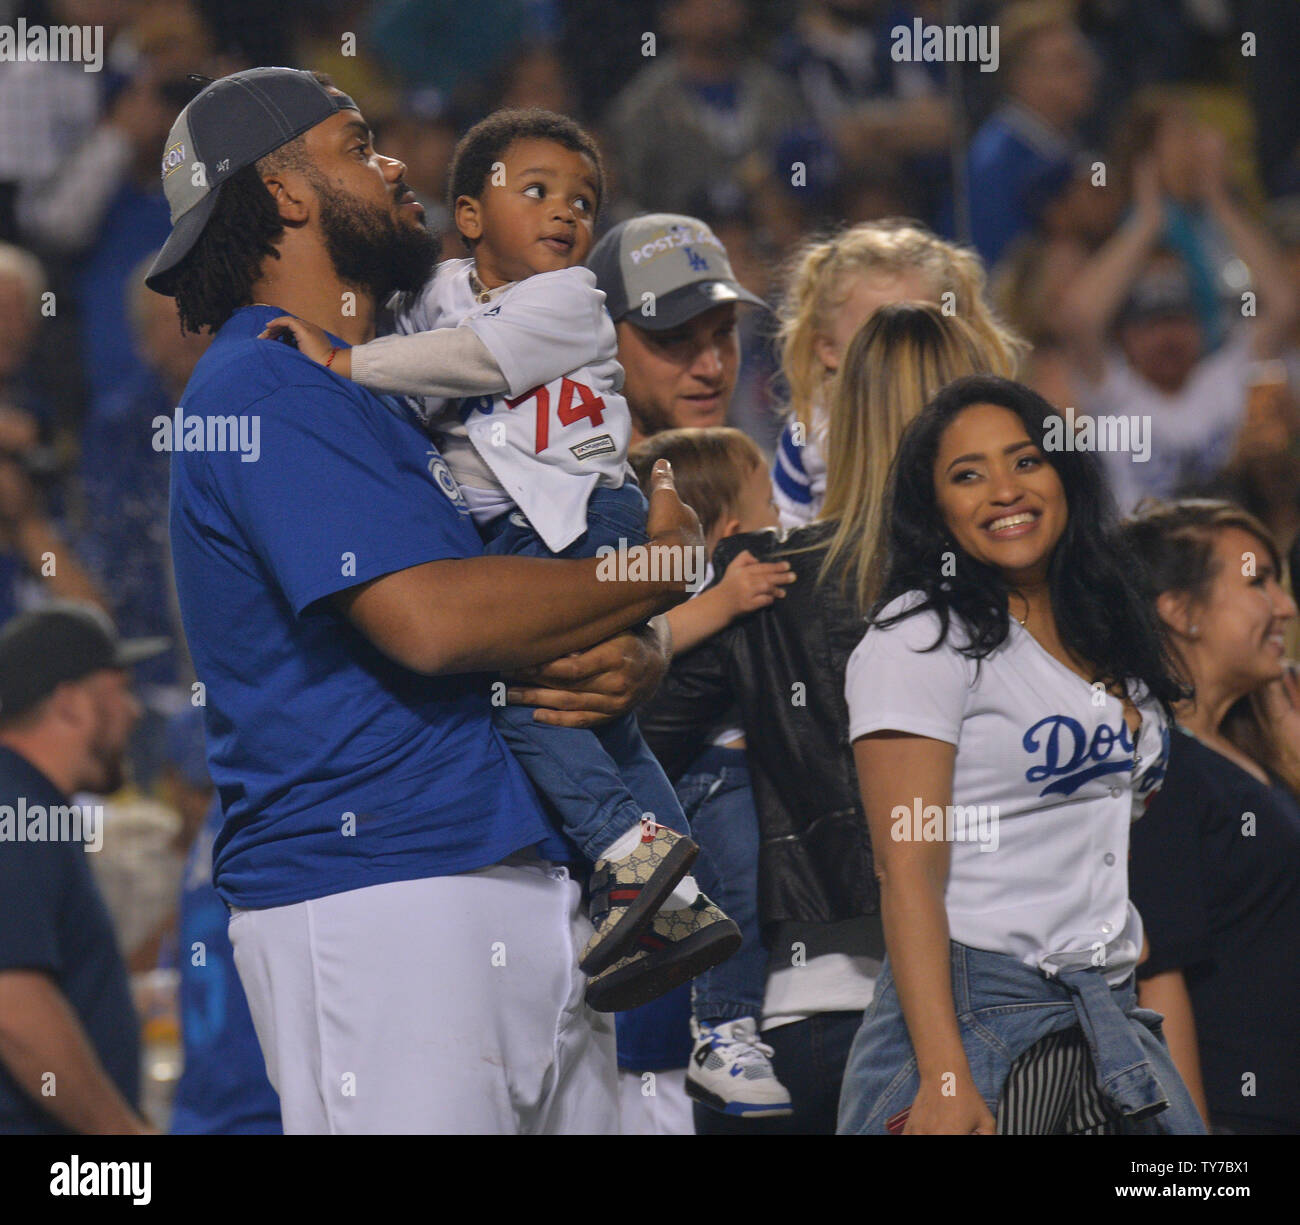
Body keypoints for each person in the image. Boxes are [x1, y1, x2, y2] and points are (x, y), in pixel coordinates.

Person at [146, 67, 703, 1135]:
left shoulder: (399, 379)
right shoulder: (263, 381)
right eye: (359, 145)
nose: (397, 162)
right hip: (378, 893)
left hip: (523, 874)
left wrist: (641, 645)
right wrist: (647, 577)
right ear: (286, 190)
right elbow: (432, 621)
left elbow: (542, 571)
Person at [263, 107, 740, 1011]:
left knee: (522, 697)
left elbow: (473, 360)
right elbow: (412, 344)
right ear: (471, 215)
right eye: (537, 191)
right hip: (525, 527)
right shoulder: (438, 288)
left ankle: (623, 854)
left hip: (582, 516)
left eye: (583, 200)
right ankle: (676, 893)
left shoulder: (568, 299)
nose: (565, 212)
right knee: (602, 720)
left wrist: (342, 363)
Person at [641, 304, 1015, 1134]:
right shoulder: (1019, 590)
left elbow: (633, 749)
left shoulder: (761, 575)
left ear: (846, 420)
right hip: (990, 1003)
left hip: (795, 1021)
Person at [837, 375, 1202, 1135]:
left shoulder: (1106, 627)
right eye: (967, 475)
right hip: (978, 1017)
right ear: (934, 510)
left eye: (1026, 461)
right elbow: (905, 866)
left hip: (1107, 1011)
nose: (1004, 490)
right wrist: (944, 1073)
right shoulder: (919, 634)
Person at [628, 427, 793, 1122]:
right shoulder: (687, 585)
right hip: (701, 775)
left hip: (721, 764)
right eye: (768, 509)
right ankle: (723, 1028)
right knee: (734, 888)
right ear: (727, 532)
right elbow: (654, 644)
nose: (779, 524)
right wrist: (727, 598)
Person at [1120, 499, 1300, 1135]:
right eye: (1258, 581)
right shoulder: (1161, 766)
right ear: (1180, 610)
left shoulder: (1240, 754)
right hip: (1236, 1119)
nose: (1285, 606)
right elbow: (1157, 978)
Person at [1058, 145, 1297, 514]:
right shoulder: (1112, 390)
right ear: (1126, 337)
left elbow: (1283, 303)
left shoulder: (1225, 378)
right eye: (1150, 326)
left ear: (1201, 328)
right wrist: (1147, 221)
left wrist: (1219, 203)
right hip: (1138, 561)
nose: (1167, 338)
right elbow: (1078, 315)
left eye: (1178, 321)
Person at [0, 602, 165, 1134]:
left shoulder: (31, 804)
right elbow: (12, 1003)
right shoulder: (17, 808)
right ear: (71, 704)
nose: (134, 711)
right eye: (119, 688)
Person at [770, 219, 1025, 530]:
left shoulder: (993, 422)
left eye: (924, 329)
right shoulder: (809, 429)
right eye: (879, 333)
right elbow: (786, 537)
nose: (902, 350)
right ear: (828, 350)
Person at [587, 212, 769, 447]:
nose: (712, 369)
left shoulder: (759, 474)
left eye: (723, 332)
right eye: (674, 339)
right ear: (605, 344)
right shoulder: (567, 481)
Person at [965, 0, 1098, 267]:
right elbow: (1000, 273)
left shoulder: (1069, 147)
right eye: (1067, 64)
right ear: (1023, 77)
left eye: (1084, 61)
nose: (1086, 74)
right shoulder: (994, 163)